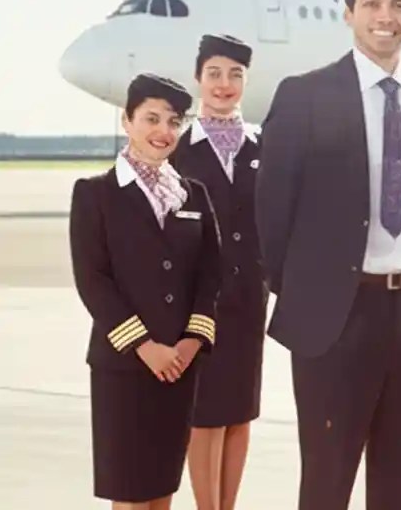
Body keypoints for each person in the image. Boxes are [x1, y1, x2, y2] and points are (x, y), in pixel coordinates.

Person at [255, 0, 401, 510]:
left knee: (399, 482)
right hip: (335, 317)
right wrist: (314, 289)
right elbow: (271, 217)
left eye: (399, 5)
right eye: (371, 3)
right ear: (349, 13)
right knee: (326, 481)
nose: (385, 16)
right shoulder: (304, 97)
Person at [69, 73, 222, 509]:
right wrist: (143, 345)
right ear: (127, 121)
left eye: (174, 122)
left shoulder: (193, 194)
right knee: (131, 493)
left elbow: (211, 274)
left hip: (179, 365)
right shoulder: (95, 194)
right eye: (151, 118)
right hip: (124, 366)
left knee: (161, 491)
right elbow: (93, 281)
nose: (163, 131)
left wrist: (192, 341)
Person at [168, 34, 263, 510]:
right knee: (205, 416)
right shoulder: (179, 152)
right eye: (215, 74)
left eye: (235, 75)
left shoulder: (263, 147)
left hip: (248, 304)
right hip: (198, 306)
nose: (225, 85)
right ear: (198, 79)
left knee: (240, 414)